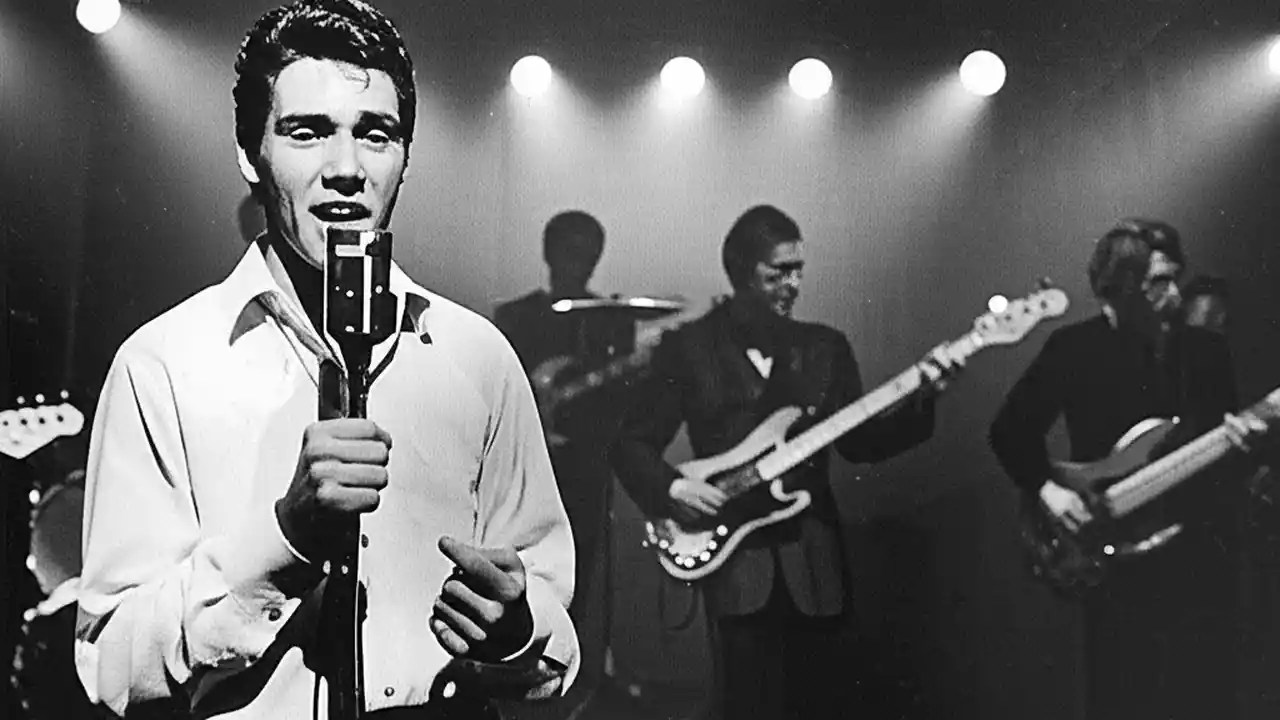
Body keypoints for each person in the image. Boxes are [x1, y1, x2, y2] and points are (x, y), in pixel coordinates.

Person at [74, 2, 578, 719]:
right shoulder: (161, 365)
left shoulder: (479, 358)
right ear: (251, 154)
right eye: (307, 132)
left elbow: (554, 631)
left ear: (405, 157)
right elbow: (113, 667)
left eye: (376, 134)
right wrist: (283, 539)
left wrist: (516, 632)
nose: (346, 169)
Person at [609, 204, 960, 720]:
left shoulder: (824, 348)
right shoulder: (690, 348)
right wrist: (674, 490)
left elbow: (860, 446)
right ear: (740, 271)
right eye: (778, 272)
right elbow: (631, 443)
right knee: (747, 702)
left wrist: (925, 399)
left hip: (814, 560)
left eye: (799, 271)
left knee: (821, 701)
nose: (793, 284)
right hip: (734, 558)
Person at [989, 219, 1247, 720]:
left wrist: (1245, 443)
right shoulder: (1072, 348)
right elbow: (1008, 432)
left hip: (1198, 550)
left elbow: (1229, 451)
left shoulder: (1203, 352)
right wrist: (1050, 491)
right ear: (1120, 289)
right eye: (1157, 283)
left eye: (1176, 278)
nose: (1174, 295)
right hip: (1116, 562)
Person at [492, 211, 634, 698]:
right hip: (524, 472)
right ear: (550, 252)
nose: (580, 263)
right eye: (571, 251)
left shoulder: (610, 320)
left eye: (589, 253)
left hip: (584, 472)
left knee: (580, 578)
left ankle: (567, 686)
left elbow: (624, 407)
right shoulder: (515, 317)